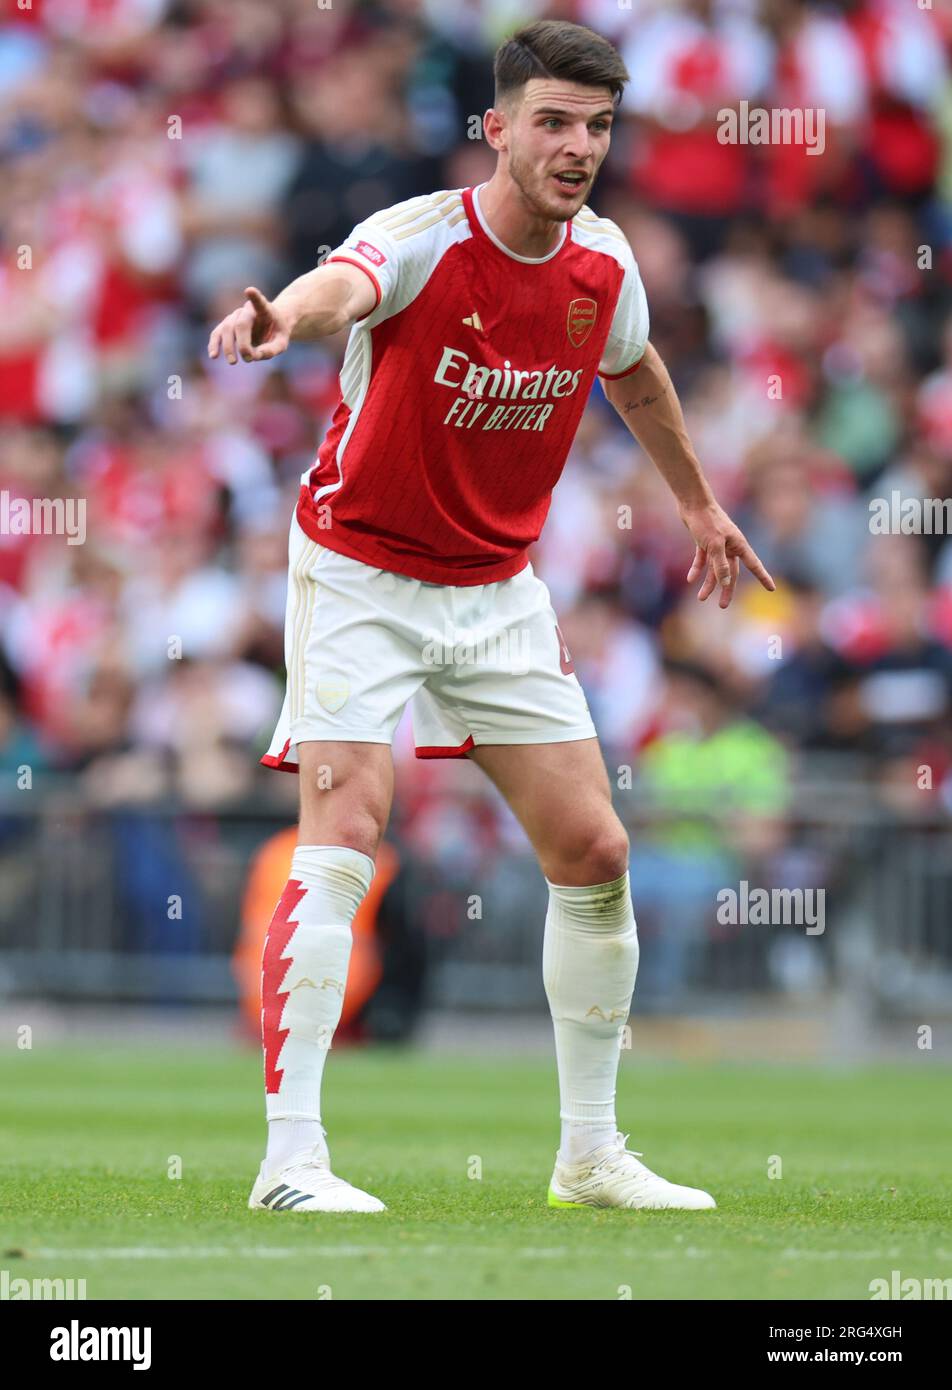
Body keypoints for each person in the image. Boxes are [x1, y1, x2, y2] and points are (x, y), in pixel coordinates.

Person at [208, 18, 774, 1214]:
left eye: (597, 126)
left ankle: (588, 1155)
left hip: (494, 588)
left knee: (597, 851)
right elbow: (337, 287)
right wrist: (278, 322)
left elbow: (634, 369)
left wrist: (698, 504)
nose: (577, 148)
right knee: (346, 829)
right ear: (498, 128)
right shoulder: (417, 236)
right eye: (554, 123)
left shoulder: (605, 264)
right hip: (358, 567)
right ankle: (290, 1159)